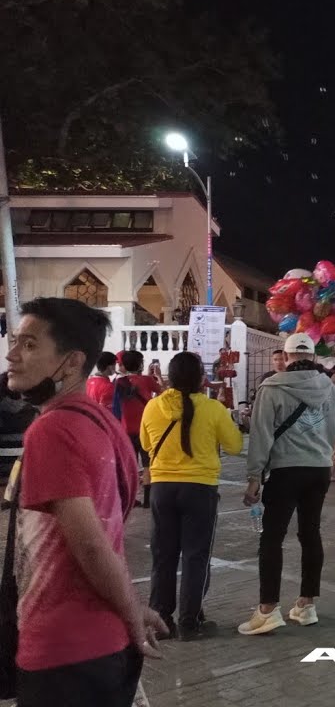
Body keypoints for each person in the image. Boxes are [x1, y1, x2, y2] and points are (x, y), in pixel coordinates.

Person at [5, 298, 168, 704]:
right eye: (14, 341)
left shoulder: (51, 429)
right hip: (102, 639)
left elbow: (92, 545)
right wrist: (130, 606)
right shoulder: (101, 422)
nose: (12, 354)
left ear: (72, 361)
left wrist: (132, 615)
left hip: (63, 647)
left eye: (29, 345)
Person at [240, 333, 335, 635]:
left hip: (285, 470)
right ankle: (306, 604)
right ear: (311, 356)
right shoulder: (329, 388)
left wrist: (254, 476)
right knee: (310, 533)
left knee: (272, 537)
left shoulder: (271, 388)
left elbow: (260, 434)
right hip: (319, 469)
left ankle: (268, 609)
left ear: (285, 357)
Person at [140, 351, 242, 641]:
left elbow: (147, 443)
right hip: (200, 489)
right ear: (202, 379)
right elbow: (234, 445)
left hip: (161, 489)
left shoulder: (153, 406)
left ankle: (161, 621)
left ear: (170, 378)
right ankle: (189, 621)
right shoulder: (212, 409)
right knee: (196, 556)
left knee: (163, 556)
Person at [112, 349, 161, 509]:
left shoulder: (118, 383)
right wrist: (158, 376)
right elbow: (162, 392)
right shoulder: (147, 380)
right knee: (147, 464)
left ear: (123, 365)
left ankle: (130, 498)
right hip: (146, 430)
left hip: (126, 430)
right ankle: (148, 499)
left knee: (130, 465)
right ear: (140, 364)